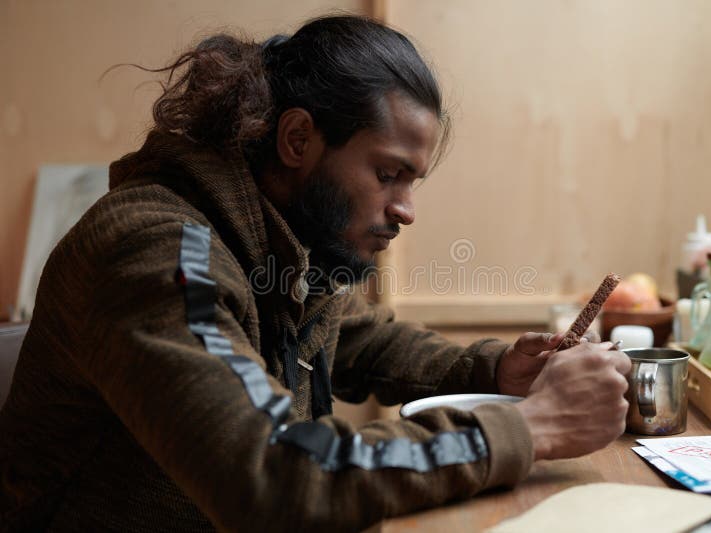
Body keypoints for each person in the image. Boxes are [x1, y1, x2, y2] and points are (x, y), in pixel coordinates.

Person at [0, 15, 630, 532]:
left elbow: (359, 338)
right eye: (387, 174)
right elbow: (272, 476)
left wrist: (495, 371)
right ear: (298, 139)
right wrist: (530, 426)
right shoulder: (155, 249)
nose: (406, 210)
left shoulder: (279, 243)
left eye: (412, 181)